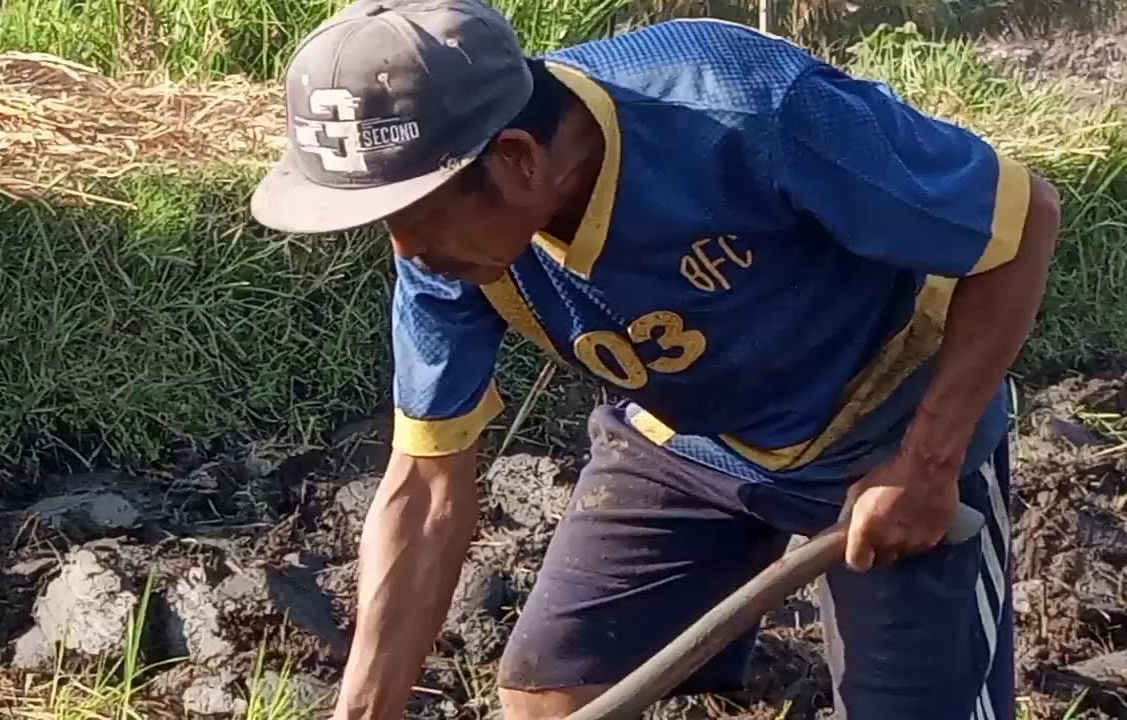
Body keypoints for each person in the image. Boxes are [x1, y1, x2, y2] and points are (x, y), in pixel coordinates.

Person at [248, 0, 1062, 717]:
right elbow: (426, 487)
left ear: (519, 161)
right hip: (684, 437)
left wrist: (927, 461)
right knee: (551, 697)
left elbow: (1023, 222)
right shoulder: (444, 251)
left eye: (413, 216)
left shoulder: (751, 109)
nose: (405, 250)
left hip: (883, 422)